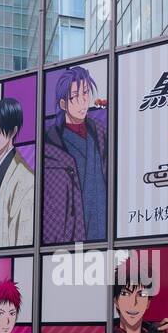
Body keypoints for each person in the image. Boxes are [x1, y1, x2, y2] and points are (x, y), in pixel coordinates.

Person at [42, 66, 107, 244]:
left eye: (85, 93)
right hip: (72, 240)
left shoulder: (100, 132)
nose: (82, 102)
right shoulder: (50, 144)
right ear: (63, 104)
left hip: (105, 233)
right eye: (75, 97)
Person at [0, 98, 35, 249]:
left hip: (3, 260)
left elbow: (24, 236)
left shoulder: (25, 177)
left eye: (0, 128)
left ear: (13, 131)